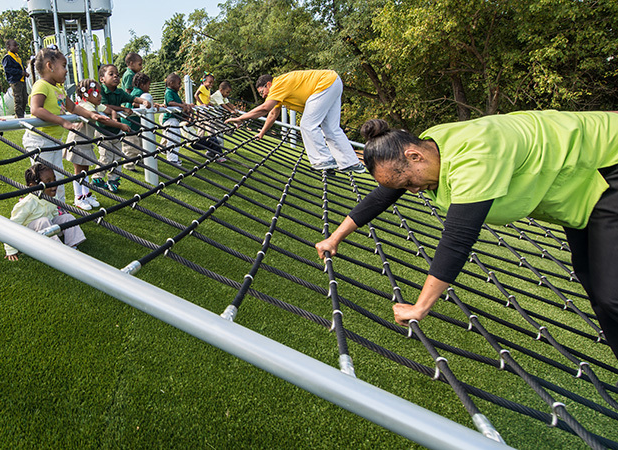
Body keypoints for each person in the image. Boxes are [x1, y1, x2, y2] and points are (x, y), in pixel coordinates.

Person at [314, 111, 618, 360]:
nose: (413, 191)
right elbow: (383, 196)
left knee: (611, 295)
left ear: (414, 155)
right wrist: (335, 238)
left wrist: (420, 306)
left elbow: (458, 239)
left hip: (607, 161)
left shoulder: (475, 160)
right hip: (579, 189)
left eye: (409, 183)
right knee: (592, 278)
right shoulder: (434, 144)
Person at [226, 70, 365, 173]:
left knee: (307, 124)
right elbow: (272, 113)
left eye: (263, 92)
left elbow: (264, 109)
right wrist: (262, 133)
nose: (264, 96)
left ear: (268, 84)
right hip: (333, 82)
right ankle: (351, 162)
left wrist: (239, 118)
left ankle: (323, 160)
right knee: (331, 128)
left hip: (325, 83)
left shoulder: (277, 85)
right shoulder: (280, 91)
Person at [22, 47, 108, 203]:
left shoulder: (59, 88)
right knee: (44, 178)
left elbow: (73, 107)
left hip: (53, 140)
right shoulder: (41, 85)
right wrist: (62, 121)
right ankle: (41, 206)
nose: (66, 70)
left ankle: (58, 207)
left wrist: (91, 114)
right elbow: (36, 109)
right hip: (39, 140)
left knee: (57, 177)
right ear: (50, 66)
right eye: (63, 66)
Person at [66, 79, 129, 210]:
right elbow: (102, 120)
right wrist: (120, 125)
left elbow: (107, 109)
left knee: (85, 170)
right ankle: (79, 197)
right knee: (79, 171)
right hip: (78, 142)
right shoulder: (86, 106)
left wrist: (113, 113)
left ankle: (86, 194)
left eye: (100, 93)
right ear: (86, 95)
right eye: (97, 93)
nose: (100, 96)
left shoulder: (93, 105)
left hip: (86, 142)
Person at [3, 163, 86, 261]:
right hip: (29, 236)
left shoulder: (52, 197)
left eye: (54, 180)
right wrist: (10, 250)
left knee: (67, 217)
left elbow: (54, 212)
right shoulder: (27, 203)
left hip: (47, 228)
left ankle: (73, 246)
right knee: (43, 221)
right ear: (33, 186)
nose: (53, 184)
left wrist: (59, 226)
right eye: (48, 181)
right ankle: (60, 251)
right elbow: (11, 226)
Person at [95, 64, 153, 191]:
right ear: (102, 79)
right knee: (106, 157)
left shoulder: (119, 92)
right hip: (103, 130)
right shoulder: (101, 91)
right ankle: (97, 177)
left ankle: (114, 180)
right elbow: (105, 107)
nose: (116, 76)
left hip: (116, 130)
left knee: (117, 156)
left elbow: (132, 98)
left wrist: (143, 101)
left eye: (117, 74)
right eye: (111, 74)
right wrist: (122, 108)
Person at [121, 72, 154, 172]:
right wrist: (142, 105)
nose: (149, 88)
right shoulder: (137, 93)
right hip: (129, 124)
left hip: (136, 124)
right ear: (142, 85)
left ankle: (138, 160)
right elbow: (134, 103)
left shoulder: (140, 92)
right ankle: (128, 164)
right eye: (148, 85)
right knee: (131, 146)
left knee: (139, 144)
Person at [161, 73, 194, 167]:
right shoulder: (169, 92)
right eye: (179, 83)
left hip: (174, 120)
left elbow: (180, 101)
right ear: (171, 83)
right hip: (170, 120)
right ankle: (172, 159)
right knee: (173, 138)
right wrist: (181, 106)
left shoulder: (174, 92)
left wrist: (187, 105)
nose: (180, 86)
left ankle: (172, 156)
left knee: (176, 138)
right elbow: (170, 103)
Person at [1, 39, 29, 118]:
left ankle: (22, 114)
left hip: (22, 80)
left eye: (17, 45)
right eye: (15, 45)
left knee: (24, 98)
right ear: (8, 47)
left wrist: (25, 72)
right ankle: (19, 116)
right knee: (18, 98)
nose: (17, 47)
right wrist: (20, 72)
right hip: (15, 81)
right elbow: (8, 69)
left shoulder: (17, 57)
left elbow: (20, 66)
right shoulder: (8, 58)